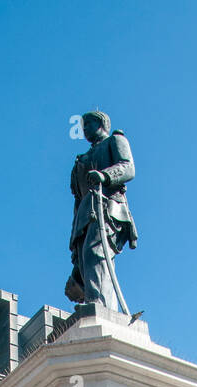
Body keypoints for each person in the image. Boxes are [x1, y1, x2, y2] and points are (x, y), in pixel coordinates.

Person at [66, 111, 137, 311]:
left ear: (102, 123)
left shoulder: (115, 140)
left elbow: (128, 167)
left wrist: (105, 176)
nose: (85, 128)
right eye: (83, 125)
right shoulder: (81, 160)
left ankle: (100, 304)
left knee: (96, 252)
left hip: (107, 205)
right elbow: (78, 200)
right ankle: (94, 300)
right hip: (84, 214)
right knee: (85, 259)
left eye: (89, 123)